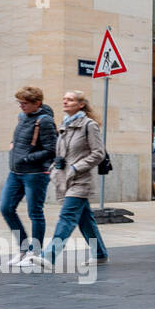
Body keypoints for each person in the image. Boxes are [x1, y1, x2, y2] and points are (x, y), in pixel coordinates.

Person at [38, 91, 108, 268]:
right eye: (64, 99)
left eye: (69, 99)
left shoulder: (89, 125)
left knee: (67, 216)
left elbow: (98, 153)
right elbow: (61, 153)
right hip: (64, 179)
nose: (65, 101)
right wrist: (53, 169)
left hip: (80, 179)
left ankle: (49, 255)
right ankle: (99, 253)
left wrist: (77, 167)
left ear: (81, 104)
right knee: (85, 220)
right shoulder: (64, 125)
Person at [2, 86, 57, 263]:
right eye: (20, 102)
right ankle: (24, 248)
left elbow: (52, 149)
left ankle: (35, 253)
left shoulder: (45, 121)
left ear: (37, 103)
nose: (21, 106)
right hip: (15, 173)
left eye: (24, 103)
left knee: (35, 213)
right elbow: (19, 138)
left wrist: (27, 158)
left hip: (35, 173)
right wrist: (13, 146)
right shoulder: (22, 117)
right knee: (6, 208)